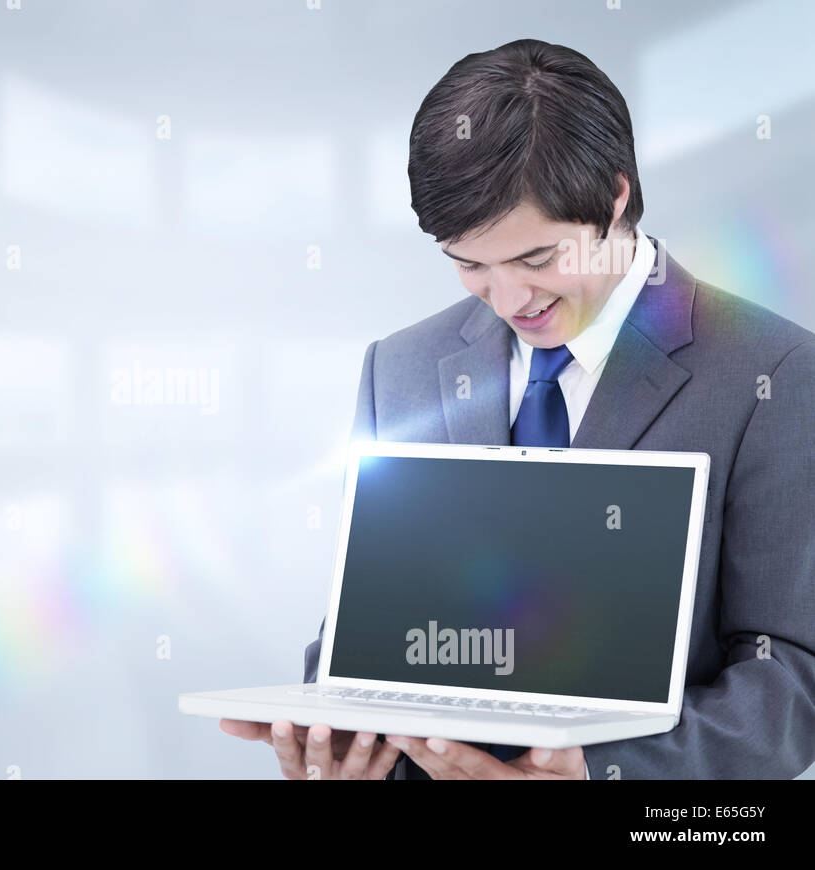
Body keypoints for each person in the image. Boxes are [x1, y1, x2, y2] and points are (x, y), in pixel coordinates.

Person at [222, 38, 815, 780]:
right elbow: (367, 628)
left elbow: (790, 677)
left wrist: (602, 772)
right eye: (470, 264)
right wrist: (338, 737)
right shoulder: (399, 368)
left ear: (615, 199)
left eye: (537, 260)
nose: (510, 301)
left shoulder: (773, 373)